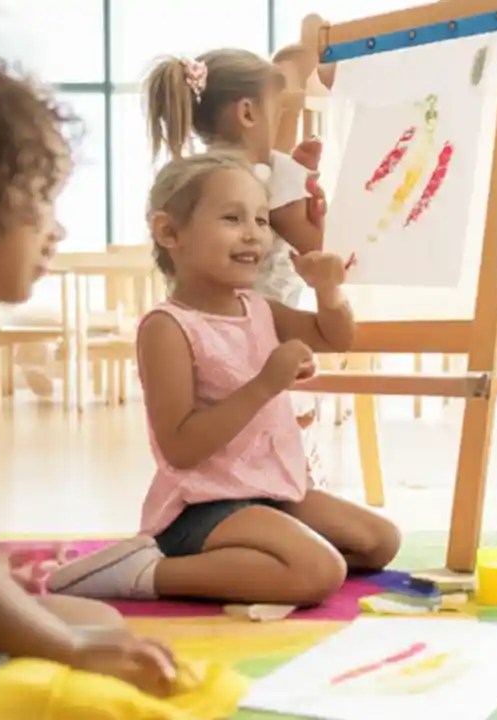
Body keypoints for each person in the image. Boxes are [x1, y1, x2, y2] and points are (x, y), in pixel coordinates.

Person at [0, 27, 215, 717]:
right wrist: (67, 653)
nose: (57, 230)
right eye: (40, 198)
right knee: (103, 691)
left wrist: (1, 586)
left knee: (100, 624)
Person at [46, 151, 400, 605]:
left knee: (379, 541)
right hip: (201, 506)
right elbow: (180, 448)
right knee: (320, 571)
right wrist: (265, 385)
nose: (254, 233)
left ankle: (264, 561)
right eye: (232, 218)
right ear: (169, 232)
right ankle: (145, 571)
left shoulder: (258, 308)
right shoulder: (167, 327)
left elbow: (336, 337)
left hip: (271, 492)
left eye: (261, 219)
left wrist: (328, 292)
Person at [144, 48, 332, 470]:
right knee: (275, 453)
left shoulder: (201, 177)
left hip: (212, 340)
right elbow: (321, 247)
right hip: (258, 335)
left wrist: (295, 174)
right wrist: (301, 190)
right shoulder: (262, 180)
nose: (280, 127)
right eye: (278, 113)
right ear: (247, 113)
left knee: (225, 450)